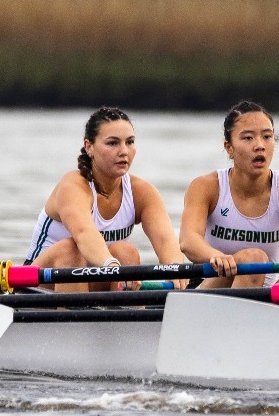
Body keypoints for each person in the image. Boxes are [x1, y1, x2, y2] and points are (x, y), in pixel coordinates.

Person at [26, 107, 188, 292]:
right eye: (112, 143)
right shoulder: (73, 186)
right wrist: (112, 267)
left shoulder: (142, 192)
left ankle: (126, 317)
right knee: (70, 250)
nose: (124, 151)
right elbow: (84, 234)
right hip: (36, 284)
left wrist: (175, 270)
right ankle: (73, 316)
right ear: (89, 147)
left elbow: (166, 240)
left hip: (95, 279)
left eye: (130, 142)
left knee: (126, 252)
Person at [178, 101, 279, 288]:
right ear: (229, 148)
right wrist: (216, 256)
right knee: (253, 258)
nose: (260, 146)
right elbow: (188, 240)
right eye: (248, 138)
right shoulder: (206, 186)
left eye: (267, 136)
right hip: (208, 288)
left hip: (263, 294)